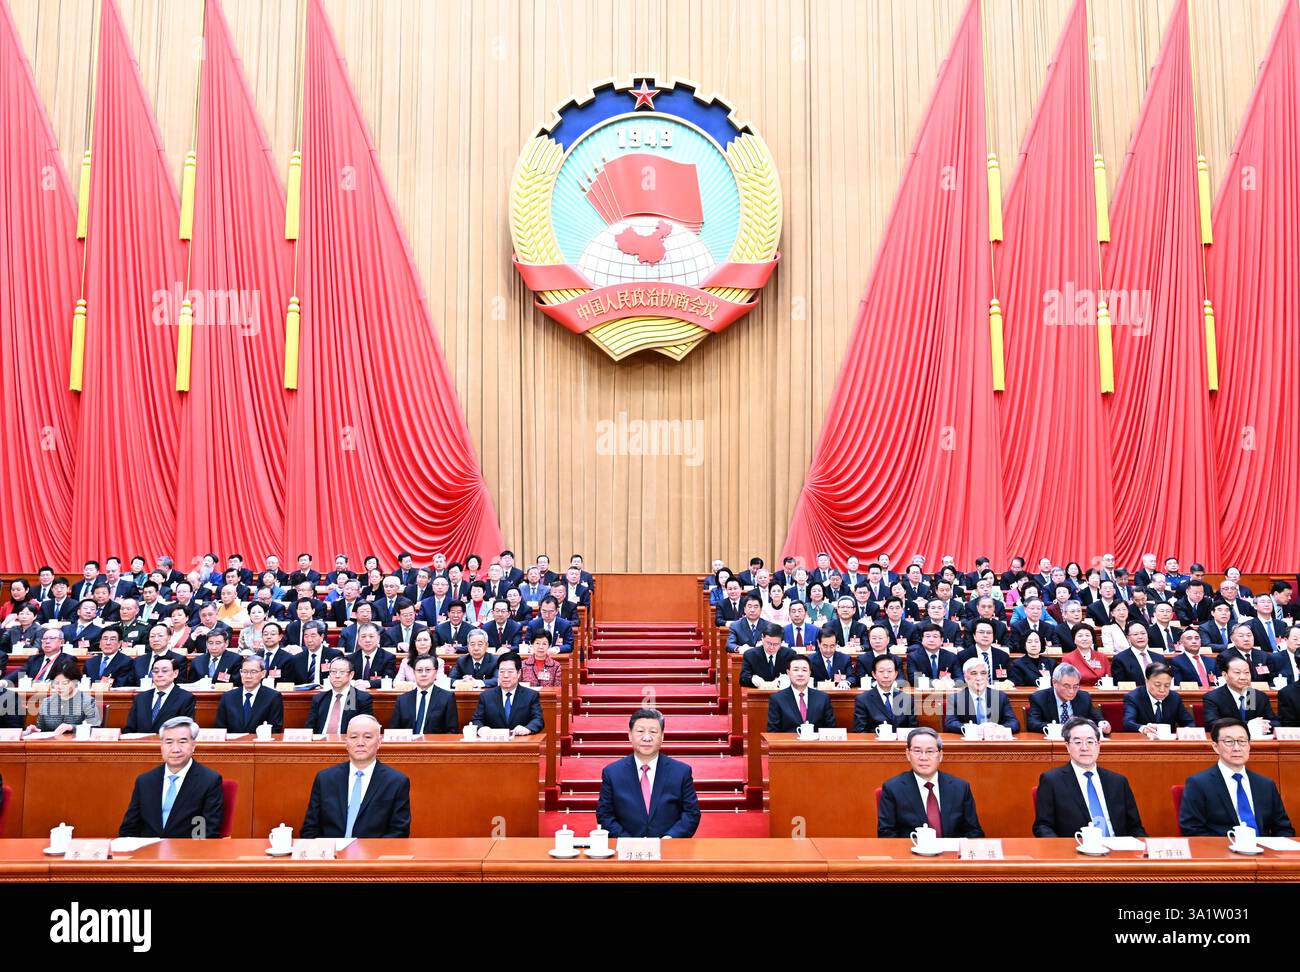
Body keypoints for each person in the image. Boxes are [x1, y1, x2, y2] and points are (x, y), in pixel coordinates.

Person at [1179, 718, 1294, 837]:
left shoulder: (1266, 785)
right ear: (1215, 747)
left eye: (1242, 741)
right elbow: (1192, 830)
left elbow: (1284, 829)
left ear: (1249, 745)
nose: (1237, 748)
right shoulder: (1198, 784)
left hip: (1263, 852)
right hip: (1223, 852)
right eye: (1229, 741)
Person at [1032, 717, 1146, 838]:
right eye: (1077, 742)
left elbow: (1135, 827)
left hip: (1118, 852)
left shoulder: (1118, 782)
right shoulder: (1051, 781)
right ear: (1067, 746)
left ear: (1098, 745)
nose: (1084, 748)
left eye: (1090, 742)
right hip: (1075, 851)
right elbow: (1043, 826)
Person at [595, 708, 700, 838]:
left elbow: (691, 813)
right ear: (630, 735)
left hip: (669, 849)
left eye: (653, 732)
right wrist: (628, 841)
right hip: (626, 851)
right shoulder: (612, 773)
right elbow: (604, 815)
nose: (646, 737)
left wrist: (671, 838)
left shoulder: (681, 772)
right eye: (640, 731)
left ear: (662, 736)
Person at [301, 715, 411, 838]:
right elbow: (310, 829)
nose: (360, 743)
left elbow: (399, 832)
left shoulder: (396, 782)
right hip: (332, 854)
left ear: (379, 742)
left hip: (372, 854)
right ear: (346, 742)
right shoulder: (325, 779)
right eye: (354, 737)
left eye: (368, 737)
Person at [118, 717, 224, 839]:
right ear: (161, 746)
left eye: (182, 742)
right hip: (148, 853)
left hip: (187, 853)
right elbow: (129, 829)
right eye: (169, 742)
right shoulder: (145, 781)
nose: (175, 749)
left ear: (193, 746)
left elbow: (208, 833)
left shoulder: (209, 781)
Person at [877, 727, 983, 838]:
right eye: (917, 751)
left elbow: (974, 832)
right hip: (912, 853)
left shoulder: (960, 788)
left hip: (951, 853)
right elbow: (886, 835)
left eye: (930, 751)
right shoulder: (892, 788)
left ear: (940, 755)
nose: (923, 757)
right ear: (908, 754)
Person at [470, 653, 543, 735]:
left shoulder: (531, 695)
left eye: (510, 671)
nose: (505, 676)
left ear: (518, 673)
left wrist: (527, 729)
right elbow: (476, 720)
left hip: (520, 742)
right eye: (502, 671)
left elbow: (538, 720)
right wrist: (481, 729)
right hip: (494, 744)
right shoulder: (486, 696)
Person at [943, 657, 1020, 733]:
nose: (979, 678)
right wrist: (974, 729)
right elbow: (950, 723)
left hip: (993, 740)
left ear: (987, 677)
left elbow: (1014, 723)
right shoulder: (955, 698)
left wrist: (997, 728)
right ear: (965, 677)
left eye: (983, 673)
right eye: (974, 673)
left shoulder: (1000, 696)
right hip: (970, 742)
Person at [1202, 656, 1280, 731]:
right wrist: (1248, 725)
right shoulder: (1213, 698)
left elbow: (1274, 723)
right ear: (1225, 675)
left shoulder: (1254, 695)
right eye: (1237, 673)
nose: (1243, 677)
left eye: (1246, 673)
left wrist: (1264, 726)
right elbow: (1212, 724)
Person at [1026, 663, 1108, 734]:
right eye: (1067, 686)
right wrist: (1060, 728)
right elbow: (1032, 723)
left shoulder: (1084, 697)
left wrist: (1103, 724)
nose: (1072, 691)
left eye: (1075, 686)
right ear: (1054, 682)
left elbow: (1097, 719)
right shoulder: (1039, 698)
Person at [25, 657, 99, 734]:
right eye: (56, 683)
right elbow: (41, 729)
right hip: (51, 744)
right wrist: (34, 730)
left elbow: (95, 728)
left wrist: (72, 727)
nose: (60, 687)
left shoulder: (88, 702)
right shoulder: (47, 702)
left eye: (65, 683)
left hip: (76, 744)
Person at [124, 656, 197, 734]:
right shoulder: (141, 698)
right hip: (142, 744)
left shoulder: (185, 697)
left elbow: (185, 730)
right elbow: (129, 728)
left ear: (175, 673)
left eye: (164, 671)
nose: (159, 675)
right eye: (155, 671)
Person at [389, 654, 459, 734]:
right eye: (419, 670)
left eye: (428, 670)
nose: (423, 674)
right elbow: (393, 732)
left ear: (435, 672)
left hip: (435, 745)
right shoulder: (402, 700)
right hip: (409, 745)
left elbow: (452, 732)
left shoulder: (447, 698)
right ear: (414, 673)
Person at [214, 657, 285, 734]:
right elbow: (220, 728)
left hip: (260, 743)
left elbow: (275, 728)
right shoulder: (228, 697)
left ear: (263, 674)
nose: (248, 676)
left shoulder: (273, 697)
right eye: (244, 672)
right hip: (233, 744)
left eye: (253, 672)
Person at [1122, 662, 1196, 735]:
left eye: (1167, 685)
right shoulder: (1134, 697)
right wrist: (1143, 728)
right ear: (1146, 681)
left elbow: (1189, 722)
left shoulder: (1174, 698)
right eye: (1157, 685)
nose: (1162, 690)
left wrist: (1187, 730)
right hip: (1143, 742)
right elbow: (1128, 722)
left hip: (1168, 743)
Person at [307, 657, 375, 734]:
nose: (337, 676)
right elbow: (309, 728)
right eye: (333, 671)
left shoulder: (360, 698)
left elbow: (365, 729)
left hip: (346, 743)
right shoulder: (319, 698)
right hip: (320, 743)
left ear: (351, 675)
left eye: (342, 672)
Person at [765, 657, 835, 731]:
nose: (800, 674)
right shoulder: (777, 699)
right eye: (796, 670)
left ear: (810, 673)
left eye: (804, 670)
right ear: (788, 673)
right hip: (788, 742)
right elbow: (773, 732)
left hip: (815, 742)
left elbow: (830, 730)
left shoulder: (823, 698)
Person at [852, 654, 917, 732]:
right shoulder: (863, 699)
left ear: (896, 674)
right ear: (874, 674)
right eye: (881, 671)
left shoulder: (907, 698)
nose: (886, 675)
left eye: (890, 671)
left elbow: (913, 729)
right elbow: (860, 731)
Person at [738, 624, 797, 688]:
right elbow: (743, 679)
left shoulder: (790, 654)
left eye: (776, 644)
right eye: (768, 643)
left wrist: (785, 680)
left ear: (781, 642)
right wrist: (752, 679)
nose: (771, 647)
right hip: (759, 694)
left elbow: (795, 676)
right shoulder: (750, 655)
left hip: (782, 694)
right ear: (762, 638)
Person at [284, 620, 340, 685]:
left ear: (322, 637)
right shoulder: (297, 659)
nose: (309, 640)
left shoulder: (334, 655)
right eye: (306, 636)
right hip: (303, 694)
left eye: (313, 636)